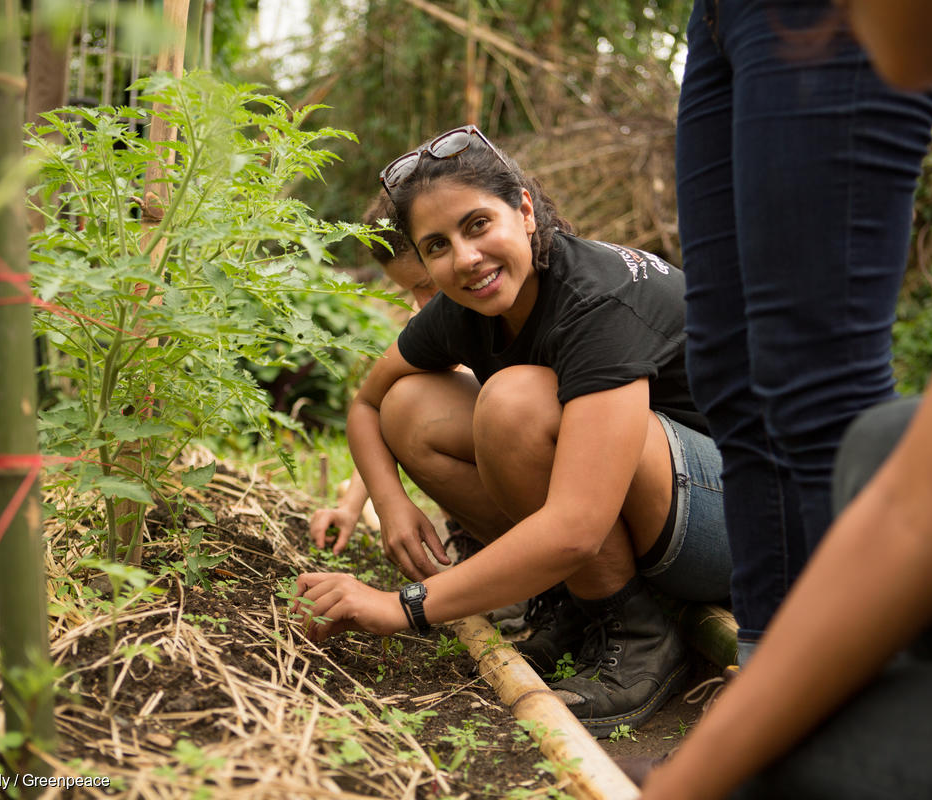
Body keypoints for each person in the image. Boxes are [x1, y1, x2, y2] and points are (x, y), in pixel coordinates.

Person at [643, 0, 932, 796]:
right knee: (875, 444)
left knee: (817, 755)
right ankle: (802, 685)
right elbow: (919, 499)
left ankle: (856, 704)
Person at [294, 125, 732, 736]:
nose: (465, 258)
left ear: (524, 211)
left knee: (515, 402)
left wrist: (401, 608)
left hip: (745, 515)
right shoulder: (466, 306)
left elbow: (578, 526)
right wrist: (389, 504)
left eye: (478, 225)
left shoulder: (597, 299)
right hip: (654, 501)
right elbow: (368, 405)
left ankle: (638, 634)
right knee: (408, 406)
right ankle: (579, 603)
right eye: (437, 246)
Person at [674, 0, 932, 664]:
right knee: (727, 366)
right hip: (720, 16)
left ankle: (873, 696)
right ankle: (772, 677)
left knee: (817, 377)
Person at [308, 193, 470, 559]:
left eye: (428, 285)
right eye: (411, 290)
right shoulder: (432, 322)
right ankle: (472, 538)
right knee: (409, 400)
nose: (423, 303)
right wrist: (352, 506)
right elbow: (377, 411)